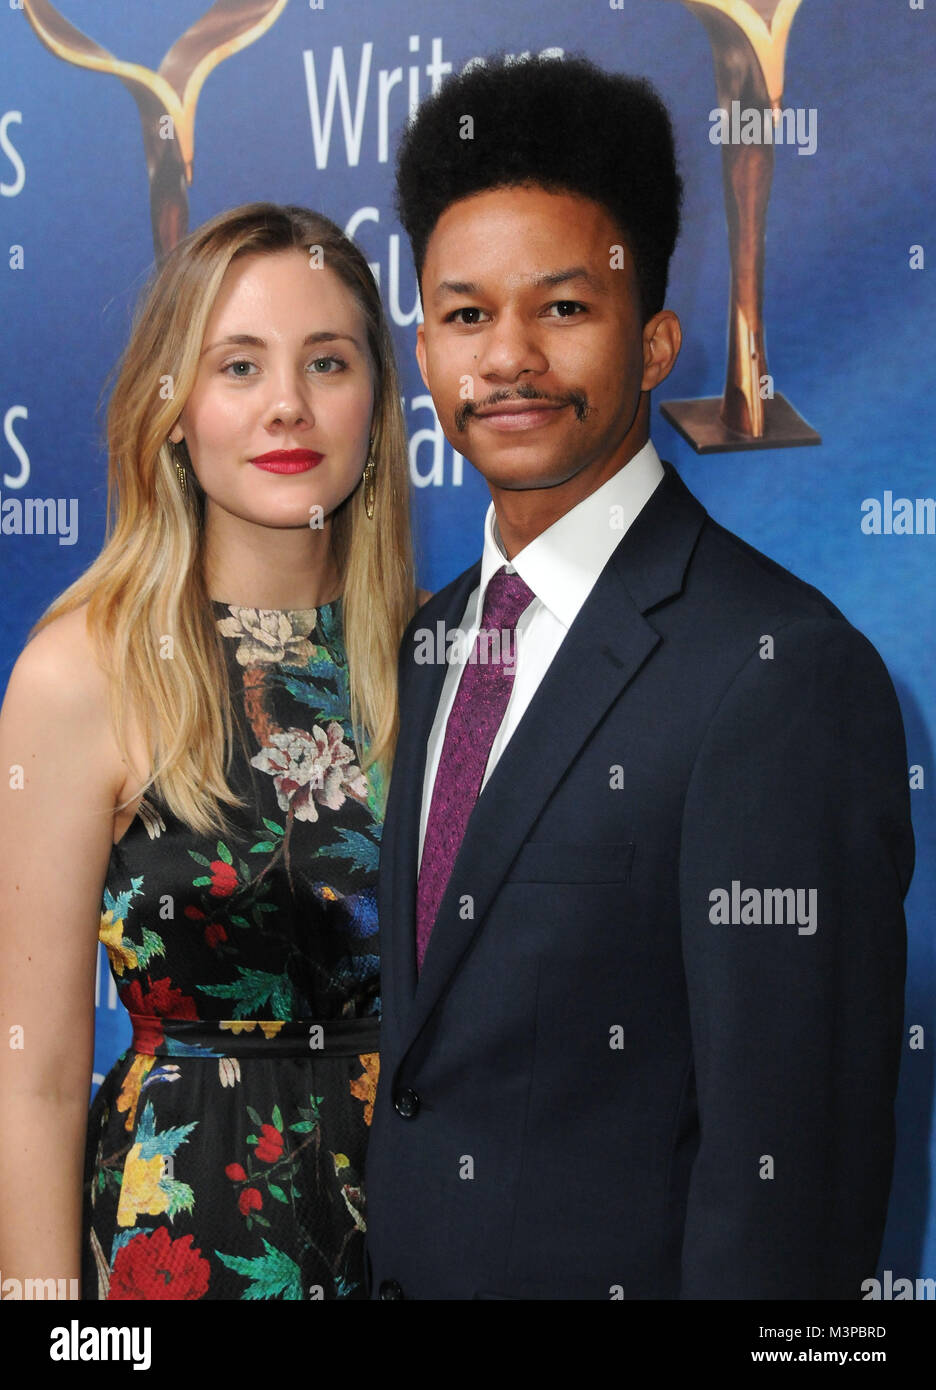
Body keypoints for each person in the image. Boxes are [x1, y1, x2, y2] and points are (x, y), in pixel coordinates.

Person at [365, 56, 914, 1300]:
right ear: (424, 350)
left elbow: (797, 1179)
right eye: (464, 315)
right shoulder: (431, 640)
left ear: (657, 340)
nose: (506, 358)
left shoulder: (780, 675)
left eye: (563, 308)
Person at [0, 203, 419, 1300]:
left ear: (378, 401)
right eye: (239, 366)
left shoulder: (445, 658)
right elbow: (32, 1075)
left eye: (327, 361)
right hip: (177, 1250)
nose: (288, 404)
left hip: (432, 1232)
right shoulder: (82, 674)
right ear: (175, 410)